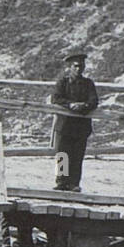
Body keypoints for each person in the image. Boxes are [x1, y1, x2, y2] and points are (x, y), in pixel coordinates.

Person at [50, 50, 99, 191]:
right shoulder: (63, 83)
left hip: (81, 127)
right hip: (65, 125)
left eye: (81, 66)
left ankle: (74, 183)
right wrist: (70, 105)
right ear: (70, 67)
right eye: (76, 66)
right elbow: (56, 98)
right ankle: (61, 182)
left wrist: (84, 106)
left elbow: (94, 101)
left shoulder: (88, 84)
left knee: (77, 156)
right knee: (62, 154)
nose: (79, 69)